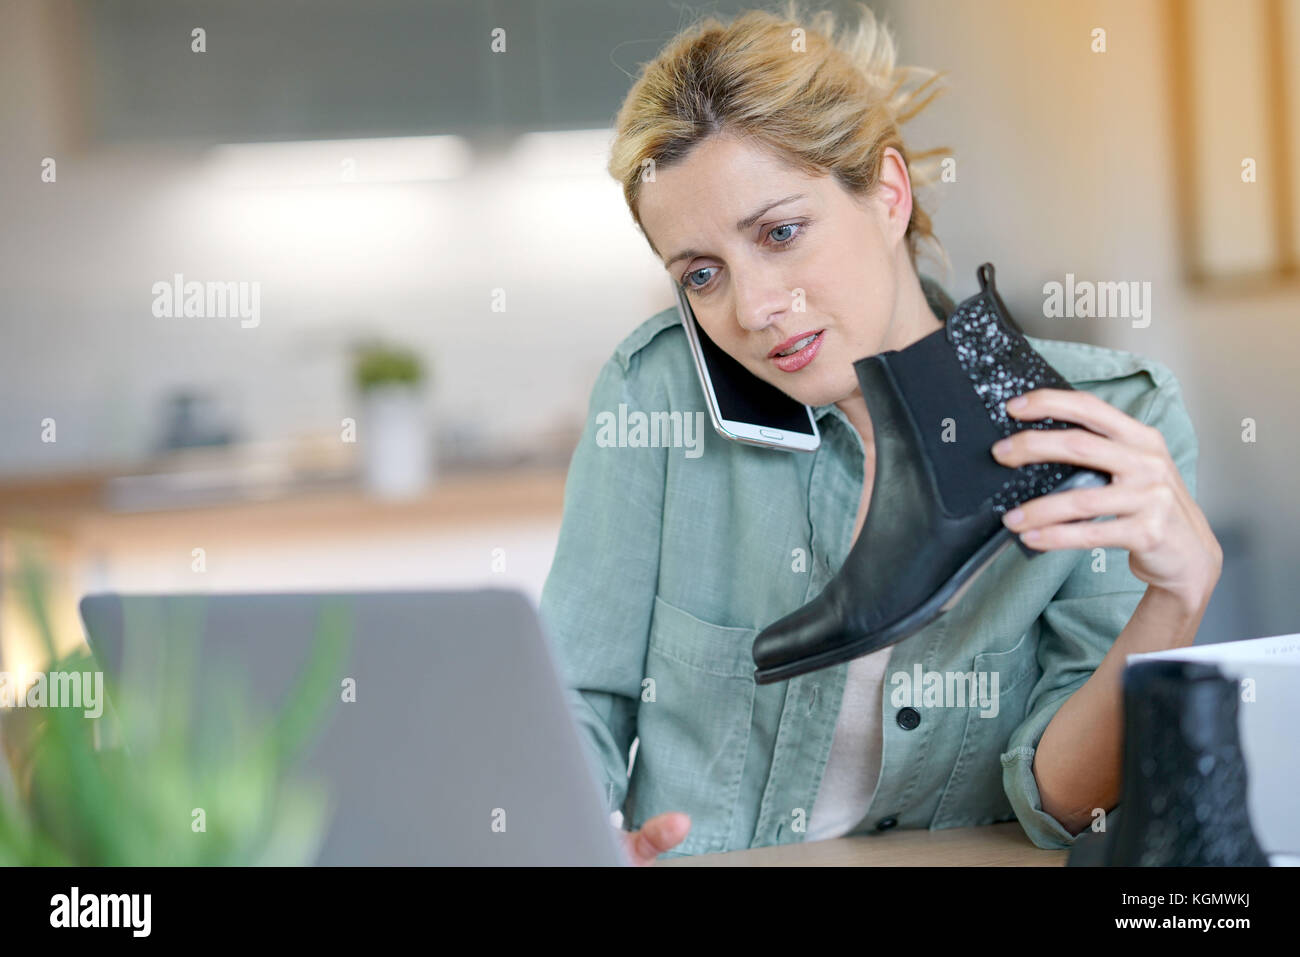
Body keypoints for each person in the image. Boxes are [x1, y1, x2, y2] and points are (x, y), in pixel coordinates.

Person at [539, 1, 1221, 865]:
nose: (752, 309)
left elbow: (1065, 803)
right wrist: (578, 841)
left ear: (889, 193)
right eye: (702, 274)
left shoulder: (1094, 425)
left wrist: (1178, 600)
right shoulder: (658, 394)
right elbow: (573, 701)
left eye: (781, 233)